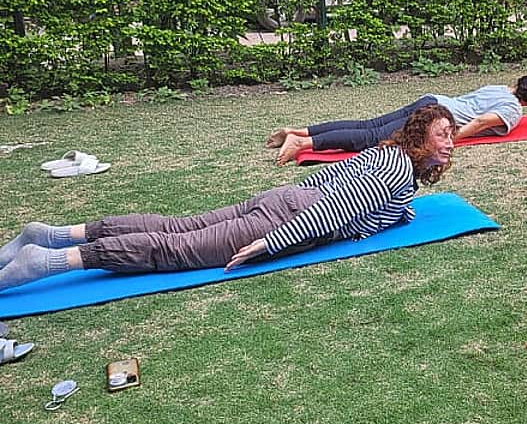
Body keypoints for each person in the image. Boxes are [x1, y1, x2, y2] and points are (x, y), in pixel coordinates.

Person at [0, 105, 457, 292]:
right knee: (173, 250)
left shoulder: (388, 155)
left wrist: (399, 209)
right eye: (442, 134)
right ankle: (48, 262)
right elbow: (343, 208)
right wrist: (271, 244)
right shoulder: (399, 168)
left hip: (285, 197)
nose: (450, 142)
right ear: (420, 138)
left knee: (176, 227)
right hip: (291, 220)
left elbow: (358, 190)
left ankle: (53, 234)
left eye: (451, 135)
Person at [268, 72, 527, 165]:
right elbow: (479, 123)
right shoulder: (513, 109)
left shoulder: (500, 88)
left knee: (368, 125)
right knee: (371, 138)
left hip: (433, 101)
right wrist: (449, 140)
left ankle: (300, 131)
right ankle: (302, 144)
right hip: (435, 116)